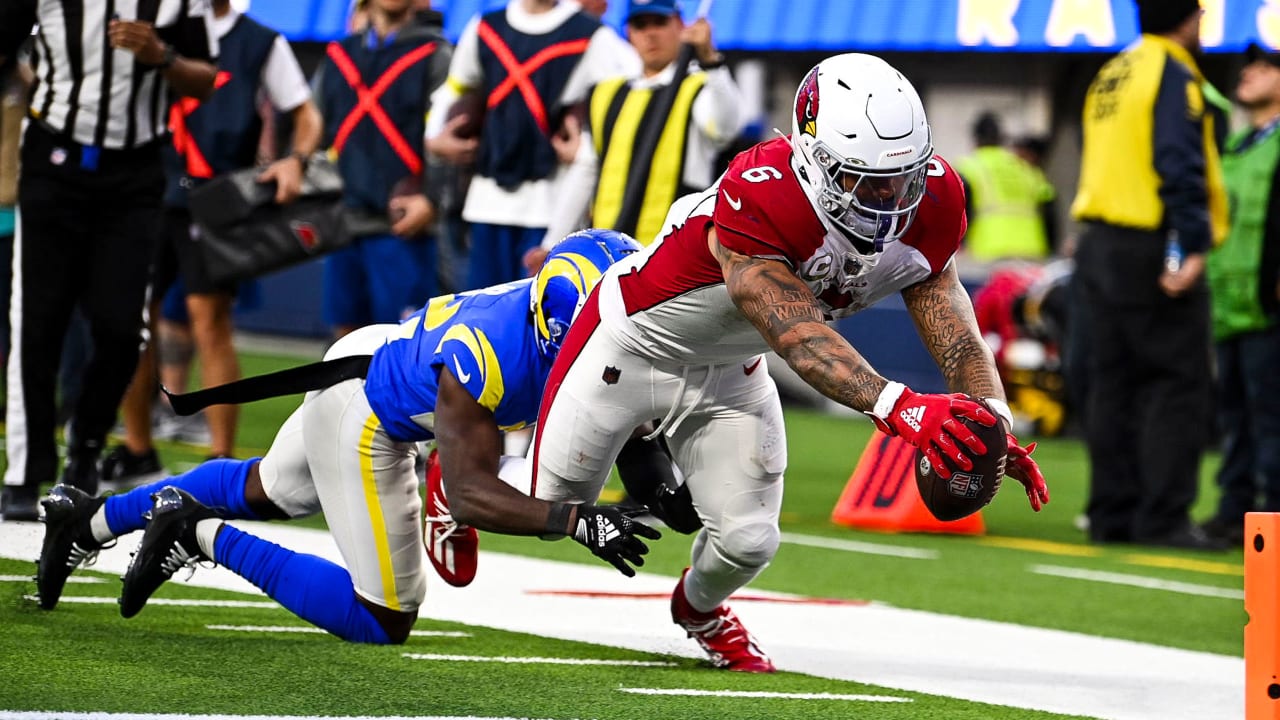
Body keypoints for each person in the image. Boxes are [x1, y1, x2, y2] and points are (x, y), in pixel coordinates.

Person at [521, 54, 1049, 673]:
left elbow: (953, 328)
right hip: (629, 350)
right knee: (547, 509)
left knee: (749, 541)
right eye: (866, 178)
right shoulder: (764, 195)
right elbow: (797, 334)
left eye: (903, 176)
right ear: (814, 160)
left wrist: (991, 420)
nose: (890, 196)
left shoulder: (934, 200)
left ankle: (700, 611)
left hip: (729, 366)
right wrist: (903, 409)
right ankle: (464, 476)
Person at [34, 231, 667, 647]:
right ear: (559, 328)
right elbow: (469, 493)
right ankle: (196, 531)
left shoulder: (585, 320)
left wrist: (670, 492)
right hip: (369, 410)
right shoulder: (491, 354)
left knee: (265, 489)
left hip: (368, 352)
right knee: (384, 616)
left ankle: (85, 522)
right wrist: (576, 520)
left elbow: (633, 428)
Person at [0, 1, 217, 521]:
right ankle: (24, 473)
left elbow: (204, 80)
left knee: (122, 329)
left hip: (134, 174)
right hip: (53, 163)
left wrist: (160, 54)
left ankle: (87, 449)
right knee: (38, 322)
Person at [102, 0, 323, 481]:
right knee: (134, 320)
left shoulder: (259, 39)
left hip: (217, 195)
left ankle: (221, 458)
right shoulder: (154, 28)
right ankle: (137, 447)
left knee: (210, 321)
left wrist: (297, 159)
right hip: (148, 184)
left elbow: (305, 112)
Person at [1070, 0, 1228, 550]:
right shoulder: (1174, 72)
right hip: (1151, 244)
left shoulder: (1111, 73)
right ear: (1188, 18)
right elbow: (1177, 160)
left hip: (1100, 246)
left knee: (1111, 384)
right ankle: (1162, 518)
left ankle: (1112, 515)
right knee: (1175, 383)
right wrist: (1189, 247)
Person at [425, 0, 636, 291]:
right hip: (486, 201)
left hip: (549, 206)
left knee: (539, 321)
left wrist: (588, 137)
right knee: (483, 318)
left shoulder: (590, 34)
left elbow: (635, 87)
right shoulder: (485, 27)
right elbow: (456, 87)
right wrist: (434, 138)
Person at [527, 0, 743, 269]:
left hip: (673, 253)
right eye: (641, 25)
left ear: (680, 26)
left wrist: (711, 61)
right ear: (629, 32)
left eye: (660, 23)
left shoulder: (698, 86)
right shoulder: (606, 93)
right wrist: (552, 243)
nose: (650, 33)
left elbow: (725, 128)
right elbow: (586, 171)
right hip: (607, 253)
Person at [315, 0, 450, 339]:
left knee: (403, 344)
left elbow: (451, 136)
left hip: (404, 225)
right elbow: (312, 125)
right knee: (343, 344)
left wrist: (432, 201)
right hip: (344, 220)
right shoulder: (339, 56)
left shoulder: (435, 54)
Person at [1199, 43, 1280, 546]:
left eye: (1265, 65)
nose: (1248, 72)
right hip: (1230, 303)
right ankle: (1236, 513)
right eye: (1248, 64)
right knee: (1237, 415)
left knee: (1270, 417)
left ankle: (1271, 515)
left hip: (1268, 305)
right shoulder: (1240, 143)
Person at [956, 112, 1057, 261]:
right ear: (1000, 138)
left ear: (975, 139)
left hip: (988, 252)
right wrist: (1051, 250)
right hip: (1032, 252)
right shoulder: (1025, 168)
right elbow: (1049, 208)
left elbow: (959, 210)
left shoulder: (968, 167)